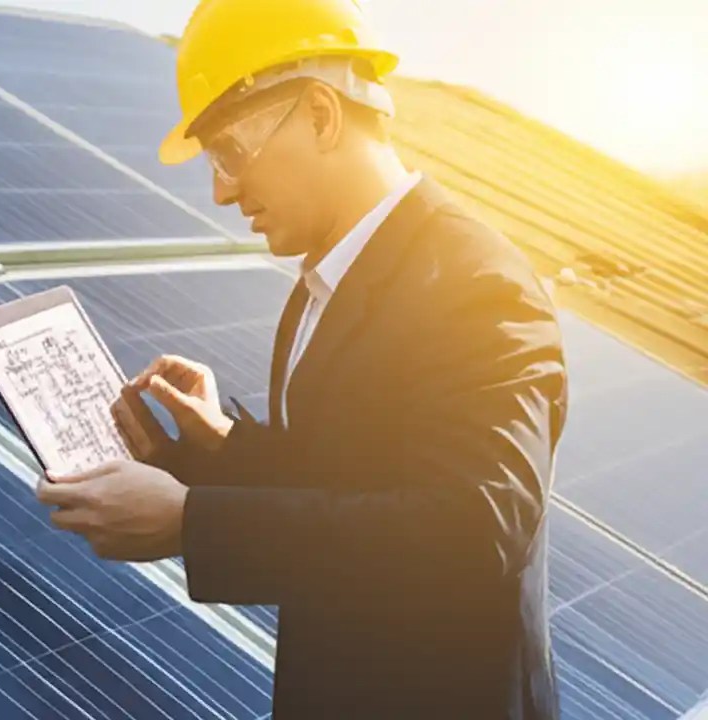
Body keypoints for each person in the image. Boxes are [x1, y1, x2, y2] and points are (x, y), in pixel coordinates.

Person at [35, 0, 569, 717]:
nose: (221, 189)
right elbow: (358, 475)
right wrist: (218, 451)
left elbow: (472, 528)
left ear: (320, 114)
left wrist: (193, 523)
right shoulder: (329, 278)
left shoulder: (478, 283)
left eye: (229, 151)